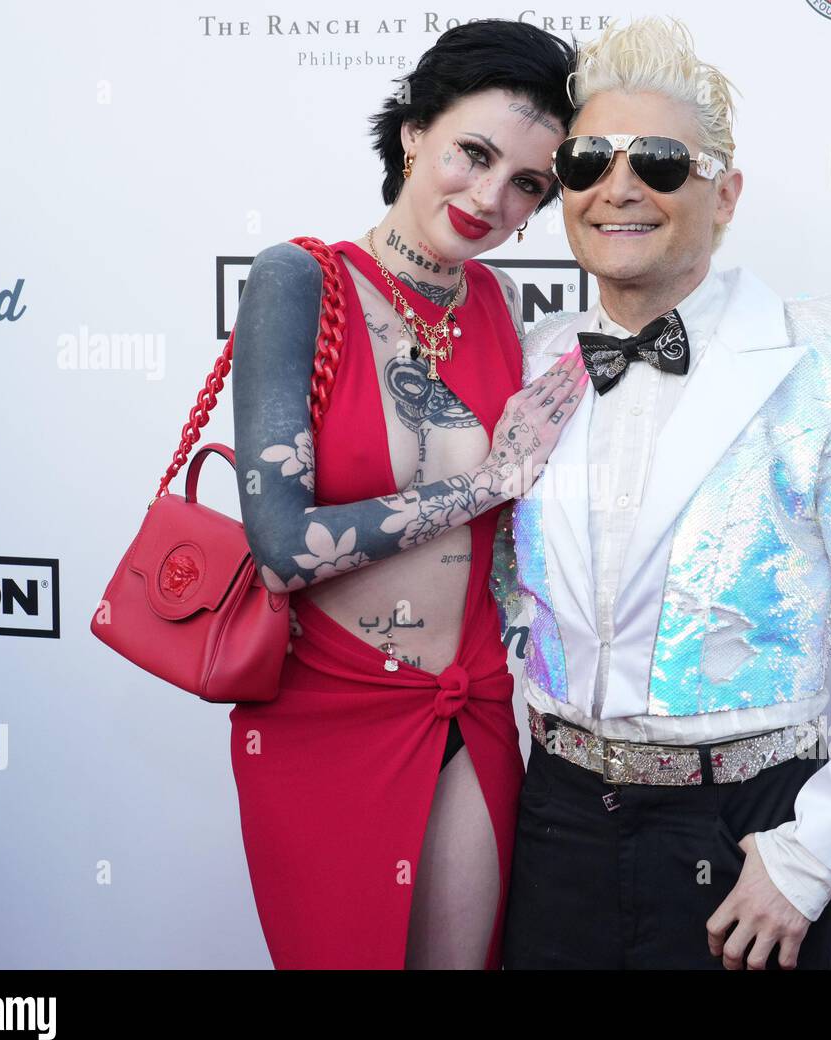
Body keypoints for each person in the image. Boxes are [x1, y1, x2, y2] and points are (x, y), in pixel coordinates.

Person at [495, 16, 831, 970]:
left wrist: (809, 854)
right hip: (551, 816)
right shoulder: (530, 363)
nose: (619, 187)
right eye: (588, 161)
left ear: (725, 192)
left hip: (742, 830)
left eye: (662, 162)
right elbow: (503, 590)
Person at [226, 19, 590, 970]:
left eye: (527, 186)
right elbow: (280, 544)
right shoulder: (300, 281)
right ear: (413, 132)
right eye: (473, 153)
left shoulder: (502, 311)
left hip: (470, 701)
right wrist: (489, 483)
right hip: (326, 712)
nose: (490, 198)